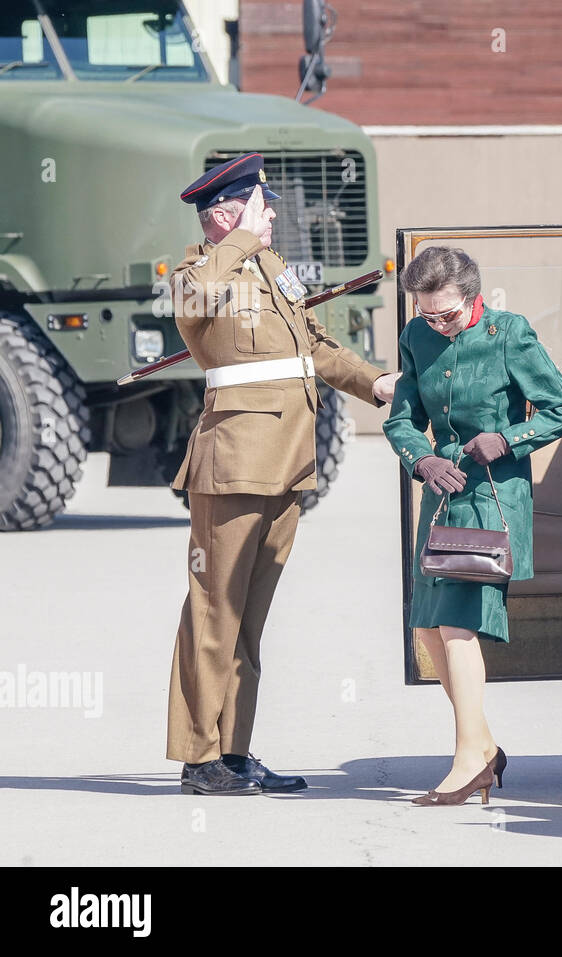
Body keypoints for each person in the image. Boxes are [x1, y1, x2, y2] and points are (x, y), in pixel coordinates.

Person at [166, 152, 399, 795]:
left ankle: (234, 753)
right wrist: (241, 234)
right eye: (261, 204)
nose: (272, 215)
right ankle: (198, 756)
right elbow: (190, 302)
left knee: (248, 619)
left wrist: (374, 383)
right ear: (226, 212)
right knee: (214, 612)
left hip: (288, 465)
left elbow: (315, 346)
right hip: (234, 466)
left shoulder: (271, 270)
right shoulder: (198, 270)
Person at [383, 246, 562, 807]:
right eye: (428, 314)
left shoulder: (509, 333)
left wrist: (508, 438)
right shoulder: (417, 336)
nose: (438, 324)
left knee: (458, 625)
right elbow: (402, 417)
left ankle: (469, 758)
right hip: (443, 496)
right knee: (426, 627)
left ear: (474, 299)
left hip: (492, 497)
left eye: (447, 314)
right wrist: (419, 460)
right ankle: (486, 746)